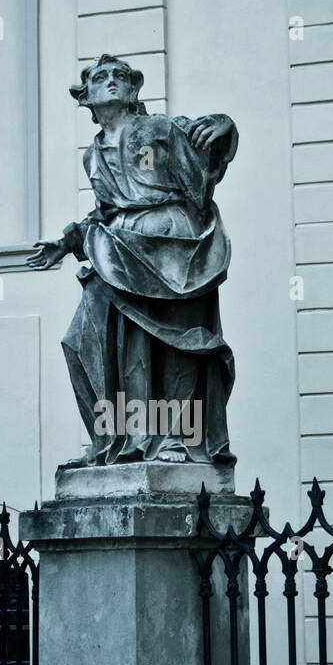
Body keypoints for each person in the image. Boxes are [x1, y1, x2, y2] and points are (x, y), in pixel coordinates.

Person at [27, 54, 237, 465]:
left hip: (171, 243)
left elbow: (205, 146)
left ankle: (175, 437)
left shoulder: (157, 129)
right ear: (85, 96)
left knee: (177, 343)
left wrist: (225, 125)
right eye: (100, 78)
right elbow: (102, 211)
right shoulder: (92, 155)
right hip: (116, 251)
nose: (110, 83)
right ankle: (117, 439)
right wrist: (68, 242)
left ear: (133, 89)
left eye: (119, 77)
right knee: (87, 341)